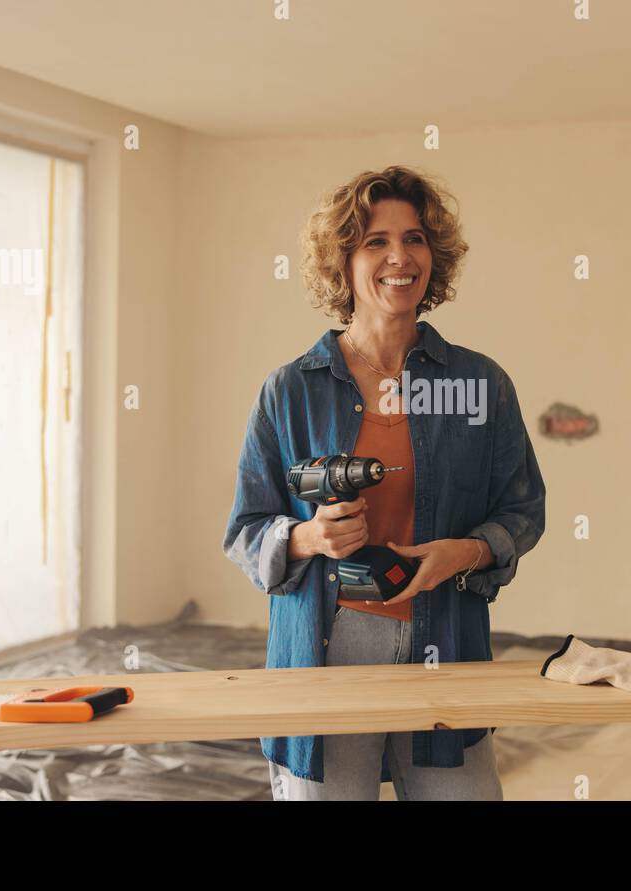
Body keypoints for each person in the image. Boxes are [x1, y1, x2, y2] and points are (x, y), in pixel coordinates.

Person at [223, 164, 546, 800]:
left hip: (445, 637)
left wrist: (469, 551)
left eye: (416, 238)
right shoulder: (292, 389)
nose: (400, 256)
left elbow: (523, 508)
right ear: (341, 262)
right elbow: (245, 528)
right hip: (327, 645)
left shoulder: (478, 384)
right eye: (375, 241)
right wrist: (310, 537)